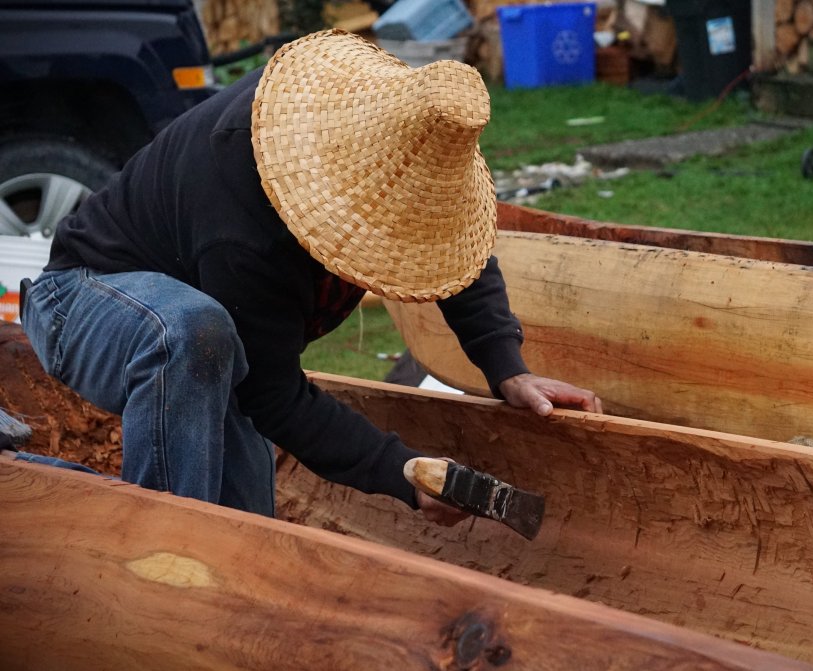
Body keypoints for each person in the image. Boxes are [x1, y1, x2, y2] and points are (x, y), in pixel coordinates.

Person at [15, 30, 602, 525]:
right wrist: (394, 470)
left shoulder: (385, 127)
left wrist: (508, 369)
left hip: (216, 351)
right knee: (193, 332)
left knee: (250, 537)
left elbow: (451, 249)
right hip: (86, 300)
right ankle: (156, 539)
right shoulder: (243, 218)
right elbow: (272, 393)